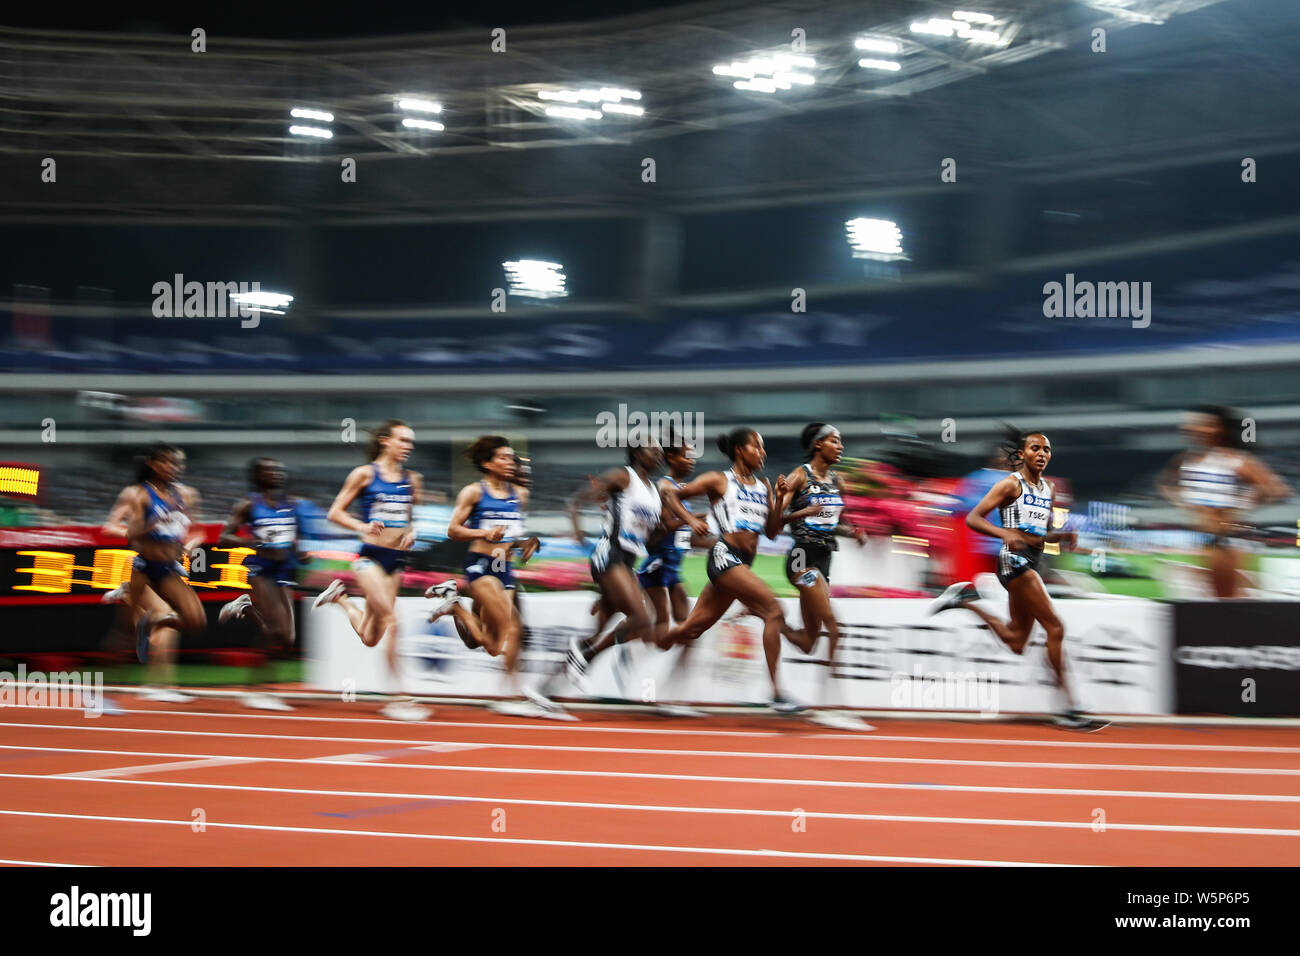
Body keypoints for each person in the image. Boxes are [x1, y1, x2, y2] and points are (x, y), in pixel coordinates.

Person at [928, 428, 1102, 731]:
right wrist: (1005, 533)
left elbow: (1040, 536)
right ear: (1021, 454)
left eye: (1046, 450)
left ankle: (967, 601)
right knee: (1055, 627)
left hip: (1032, 560)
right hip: (1014, 563)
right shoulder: (1010, 484)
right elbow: (974, 518)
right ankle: (1070, 708)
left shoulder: (1049, 489)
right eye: (1035, 448)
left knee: (1016, 641)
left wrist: (1062, 535)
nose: (1042, 454)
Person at [656, 428, 804, 713]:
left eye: (763, 448)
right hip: (724, 557)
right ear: (740, 450)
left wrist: (779, 497)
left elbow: (772, 532)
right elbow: (672, 495)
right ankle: (776, 694)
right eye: (757, 447)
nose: (763, 453)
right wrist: (689, 519)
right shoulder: (718, 480)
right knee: (774, 610)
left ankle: (652, 639)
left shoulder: (764, 485)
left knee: (692, 629)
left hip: (742, 564)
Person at [426, 436, 562, 717]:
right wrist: (483, 533)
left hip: (505, 569)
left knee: (491, 645)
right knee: (514, 627)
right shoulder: (473, 492)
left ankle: (456, 608)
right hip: (481, 567)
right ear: (487, 463)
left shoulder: (519, 495)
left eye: (512, 458)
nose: (510, 463)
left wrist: (527, 543)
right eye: (503, 457)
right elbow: (453, 530)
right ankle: (512, 696)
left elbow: (511, 536)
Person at [561, 438, 706, 696]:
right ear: (637, 454)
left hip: (628, 562)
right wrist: (578, 530)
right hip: (610, 554)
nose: (659, 455)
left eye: (661, 452)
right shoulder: (623, 477)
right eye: (653, 450)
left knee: (609, 629)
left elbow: (652, 540)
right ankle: (585, 655)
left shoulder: (653, 491)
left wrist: (684, 524)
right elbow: (576, 500)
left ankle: (550, 685)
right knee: (642, 618)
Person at [312, 420, 428, 722]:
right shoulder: (364, 474)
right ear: (385, 441)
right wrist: (362, 526)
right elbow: (335, 512)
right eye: (403, 440)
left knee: (370, 636)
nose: (408, 447)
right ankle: (399, 697)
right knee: (393, 620)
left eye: (411, 442)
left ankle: (341, 599)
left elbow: (408, 517)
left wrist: (412, 531)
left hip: (397, 559)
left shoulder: (411, 479)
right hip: (370, 558)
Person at [773, 423, 873, 731]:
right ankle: (830, 706)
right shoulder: (799, 476)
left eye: (840, 442)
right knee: (835, 627)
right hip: (801, 560)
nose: (840, 446)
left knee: (808, 641)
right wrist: (791, 508)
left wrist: (851, 531)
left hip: (824, 559)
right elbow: (775, 524)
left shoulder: (837, 481)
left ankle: (769, 619)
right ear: (818, 445)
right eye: (835, 441)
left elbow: (833, 523)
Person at [106, 442, 206, 703]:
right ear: (153, 464)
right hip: (144, 568)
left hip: (170, 568)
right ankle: (116, 687)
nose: (173, 468)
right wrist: (146, 527)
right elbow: (111, 527)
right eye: (167, 462)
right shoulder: (138, 493)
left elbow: (197, 531)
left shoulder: (187, 494)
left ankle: (156, 682)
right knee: (130, 630)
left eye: (177, 464)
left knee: (195, 620)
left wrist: (191, 545)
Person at [1156, 405, 1290, 598]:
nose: (1193, 428)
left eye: (1201, 424)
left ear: (1219, 429)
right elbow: (1164, 484)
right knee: (1213, 598)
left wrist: (1240, 506)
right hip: (1203, 537)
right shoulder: (1185, 460)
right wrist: (1183, 502)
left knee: (1225, 602)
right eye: (1191, 424)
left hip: (1228, 538)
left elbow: (1277, 490)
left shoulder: (1236, 460)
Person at [216, 457, 310, 712]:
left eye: (279, 469)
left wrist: (301, 551)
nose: (277, 474)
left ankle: (245, 608)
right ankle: (261, 690)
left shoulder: (290, 505)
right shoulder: (249, 504)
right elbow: (224, 536)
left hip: (284, 569)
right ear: (258, 476)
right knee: (272, 629)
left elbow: (296, 538)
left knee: (287, 637)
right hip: (261, 570)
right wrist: (249, 543)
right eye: (270, 471)